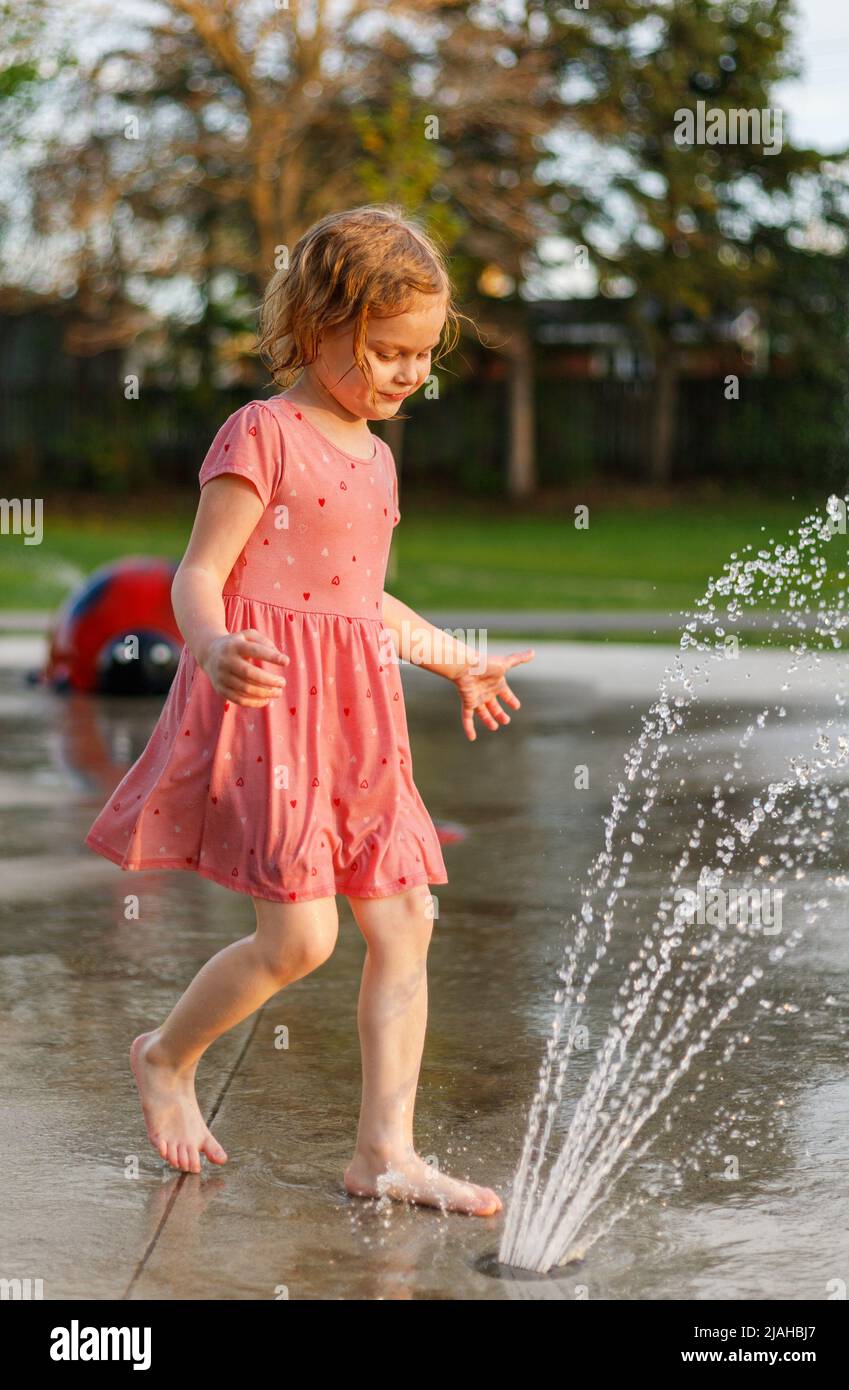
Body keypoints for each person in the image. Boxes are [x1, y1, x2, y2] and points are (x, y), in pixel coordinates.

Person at [84, 204, 535, 1217]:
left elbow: (358, 597)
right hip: (274, 709)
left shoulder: (376, 459)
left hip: (359, 721)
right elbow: (200, 574)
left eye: (420, 354)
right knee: (299, 943)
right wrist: (209, 645)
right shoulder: (262, 434)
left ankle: (384, 1151)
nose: (403, 373)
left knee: (405, 919)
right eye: (381, 350)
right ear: (315, 322)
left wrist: (452, 660)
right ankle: (165, 1054)